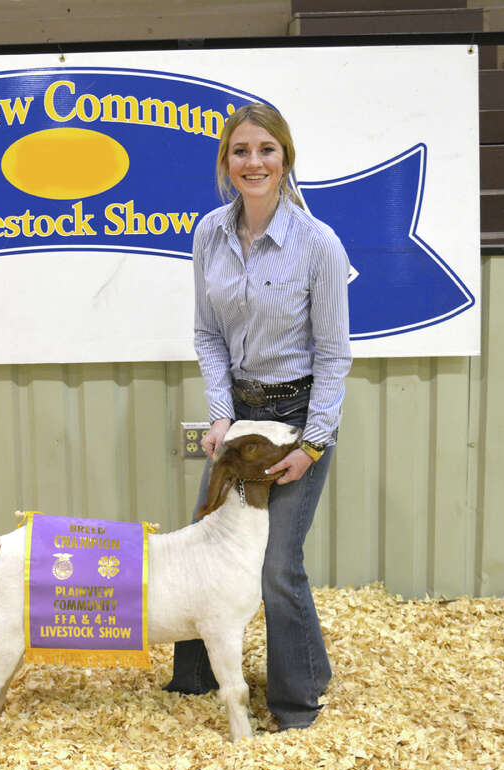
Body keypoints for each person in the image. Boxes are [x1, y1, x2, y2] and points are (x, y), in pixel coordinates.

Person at [163, 103, 352, 731]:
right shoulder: (209, 234)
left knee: (276, 563)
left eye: (266, 150)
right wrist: (221, 415)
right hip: (240, 416)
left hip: (295, 419)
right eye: (241, 151)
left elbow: (333, 352)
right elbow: (207, 335)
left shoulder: (317, 244)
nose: (254, 162)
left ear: (286, 159)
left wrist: (315, 442)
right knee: (201, 535)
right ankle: (192, 679)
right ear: (226, 163)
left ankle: (296, 703)